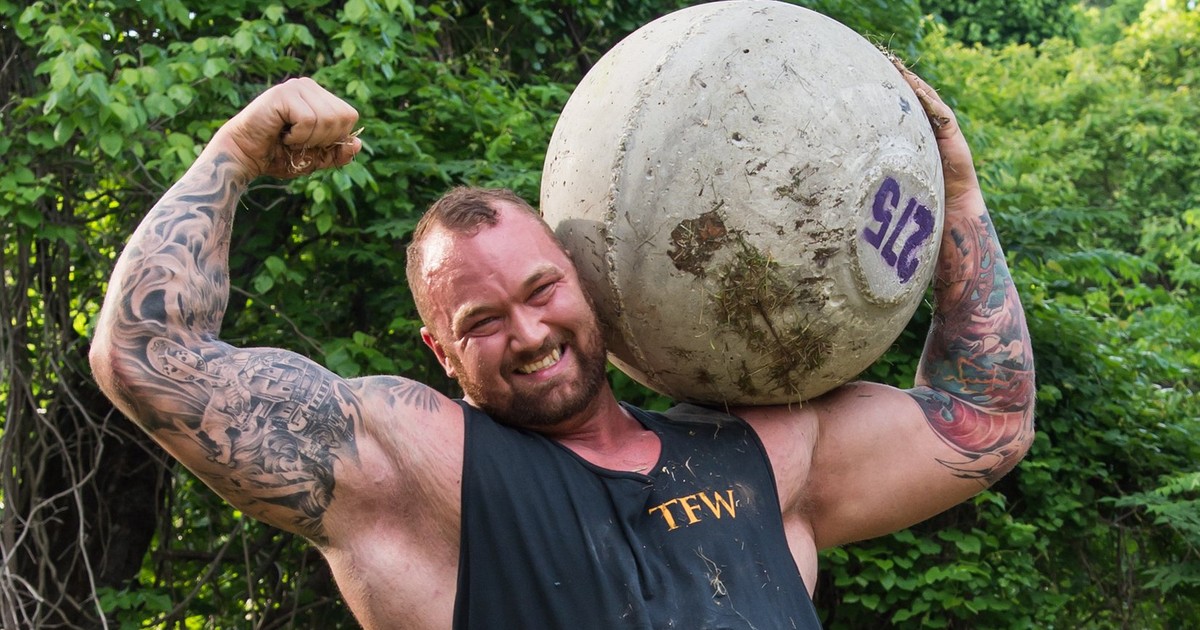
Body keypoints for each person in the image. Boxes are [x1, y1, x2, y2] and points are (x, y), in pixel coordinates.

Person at [90, 60, 1035, 628]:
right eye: (482, 322)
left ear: (590, 279)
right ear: (441, 354)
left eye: (542, 290)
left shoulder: (764, 454)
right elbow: (144, 355)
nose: (531, 332)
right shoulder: (421, 475)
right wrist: (239, 151)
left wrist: (954, 192)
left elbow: (986, 416)